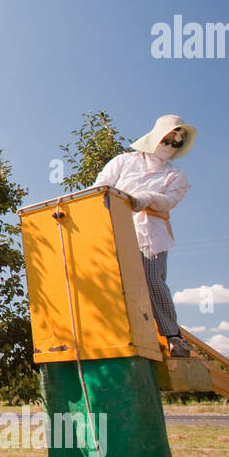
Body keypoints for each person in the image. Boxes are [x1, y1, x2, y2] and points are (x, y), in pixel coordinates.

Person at [92, 115, 197, 358]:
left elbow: (169, 200)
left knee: (151, 278)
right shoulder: (123, 161)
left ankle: (173, 337)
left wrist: (147, 198)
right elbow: (101, 187)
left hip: (151, 234)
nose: (169, 146)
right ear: (156, 137)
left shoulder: (177, 176)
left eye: (176, 143)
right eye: (167, 140)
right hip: (114, 228)